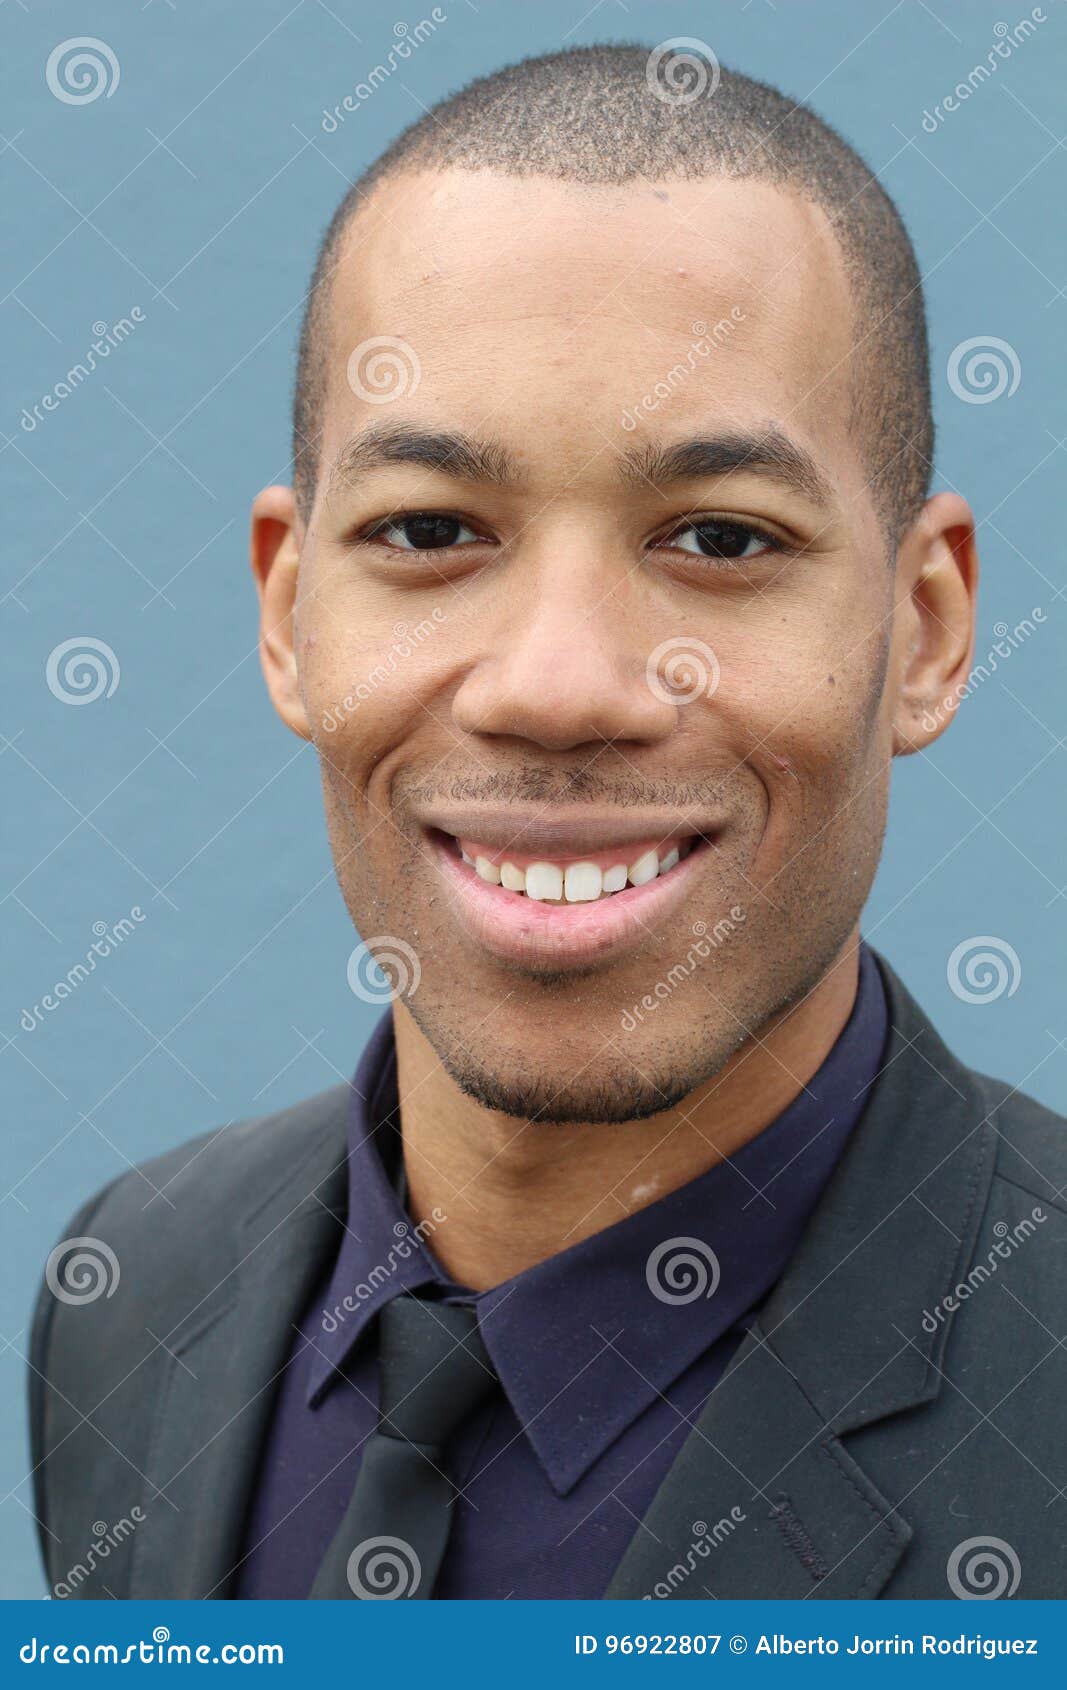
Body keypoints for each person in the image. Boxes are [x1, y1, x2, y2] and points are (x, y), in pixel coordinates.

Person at [29, 43, 1066, 1602]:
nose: (559, 686)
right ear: (289, 608)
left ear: (924, 631)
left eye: (720, 536)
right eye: (432, 532)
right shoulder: (126, 1298)